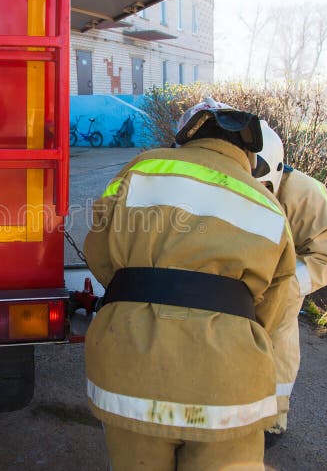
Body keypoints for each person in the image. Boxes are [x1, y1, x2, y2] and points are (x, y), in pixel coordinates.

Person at [83, 97, 296, 470]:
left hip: (133, 369)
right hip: (227, 388)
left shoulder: (144, 169)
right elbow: (273, 307)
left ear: (187, 137)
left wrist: (136, 298)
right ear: (250, 155)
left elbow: (99, 252)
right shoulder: (268, 206)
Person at [253, 121, 327, 443]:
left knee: (277, 355)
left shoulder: (305, 194)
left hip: (280, 295)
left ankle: (271, 423)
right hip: (233, 290)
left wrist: (284, 287)